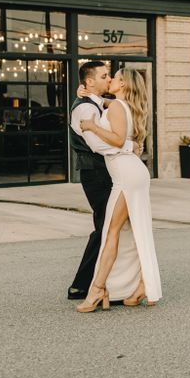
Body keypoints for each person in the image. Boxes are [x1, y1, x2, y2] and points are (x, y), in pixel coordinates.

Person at [75, 68, 162, 312]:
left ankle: (97, 290)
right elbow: (104, 104)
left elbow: (116, 139)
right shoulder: (121, 105)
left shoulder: (116, 107)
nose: (110, 79)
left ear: (122, 84)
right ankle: (141, 286)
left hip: (126, 176)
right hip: (130, 173)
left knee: (111, 232)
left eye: (114, 77)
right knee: (135, 233)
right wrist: (86, 93)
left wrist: (91, 126)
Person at [68, 61, 142, 301]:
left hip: (110, 171)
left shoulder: (98, 103)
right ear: (89, 81)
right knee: (105, 227)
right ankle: (82, 285)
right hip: (96, 173)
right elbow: (97, 144)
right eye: (104, 76)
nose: (108, 79)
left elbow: (107, 105)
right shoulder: (83, 109)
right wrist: (130, 146)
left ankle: (111, 284)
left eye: (110, 75)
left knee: (111, 227)